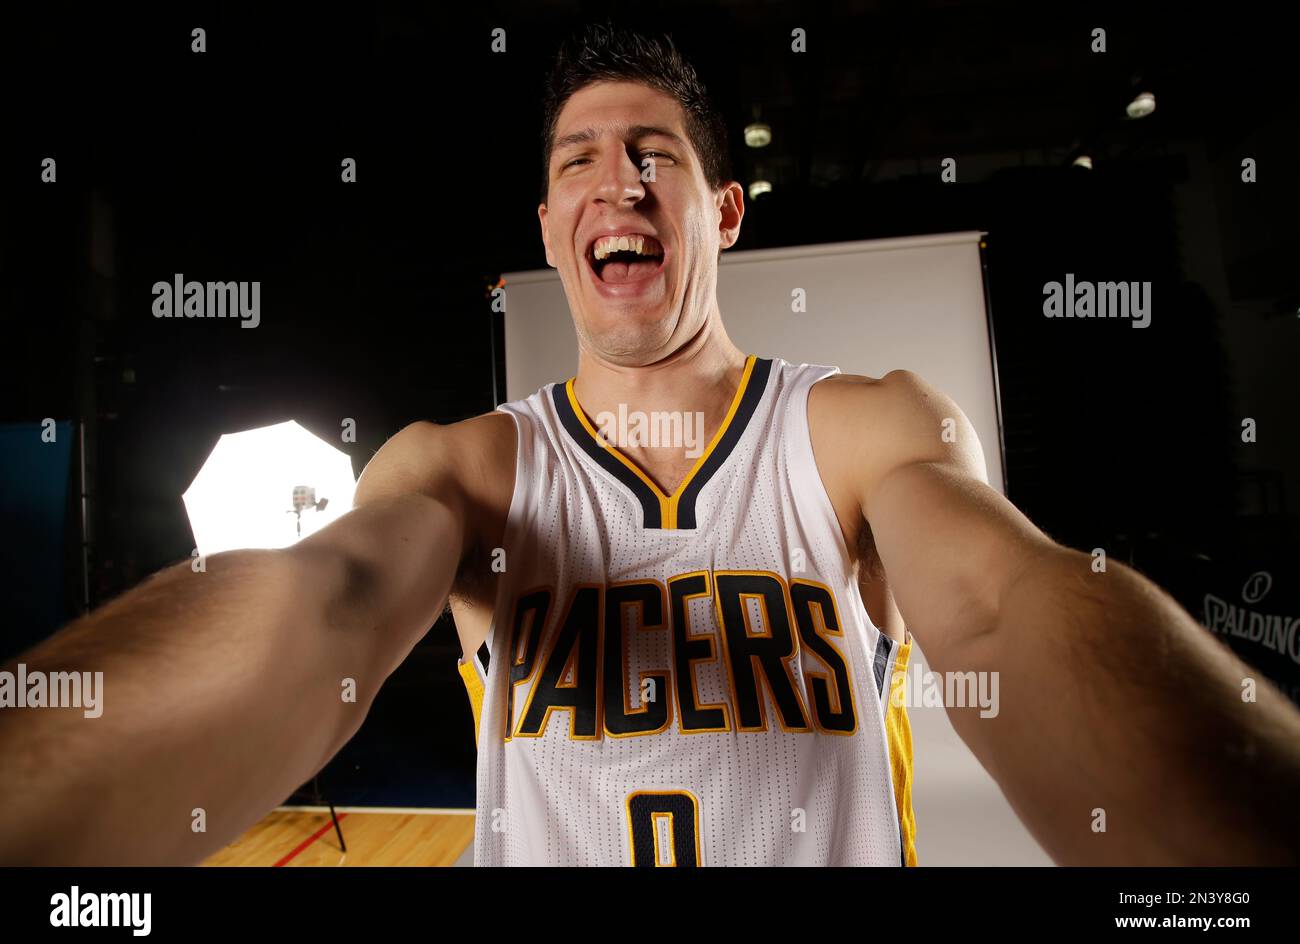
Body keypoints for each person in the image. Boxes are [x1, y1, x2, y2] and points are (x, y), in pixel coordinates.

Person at [2, 23, 1297, 866]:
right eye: (578, 161)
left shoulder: (864, 431)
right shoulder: (472, 472)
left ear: (722, 211)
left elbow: (1013, 607)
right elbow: (316, 607)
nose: (614, 180)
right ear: (552, 219)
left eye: (652, 155)